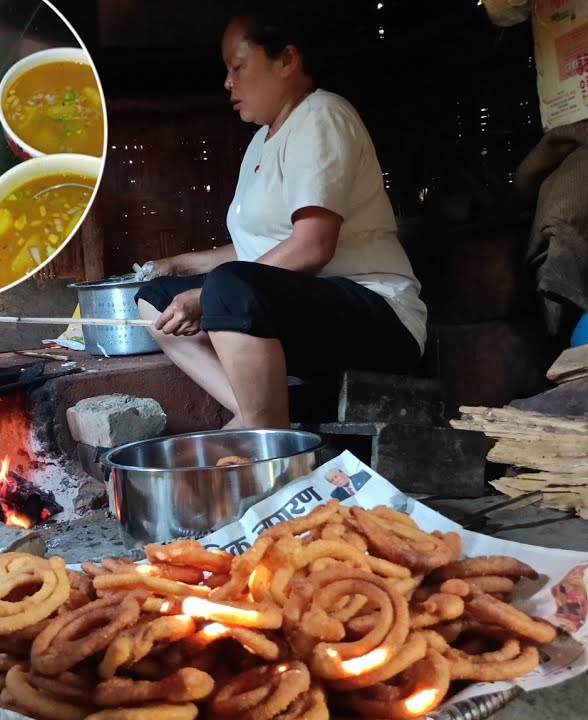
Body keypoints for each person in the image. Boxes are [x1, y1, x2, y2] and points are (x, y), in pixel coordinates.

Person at [136, 2, 426, 430]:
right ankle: (259, 415)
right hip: (298, 305)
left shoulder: (323, 116)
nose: (228, 82)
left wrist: (206, 293)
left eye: (238, 66)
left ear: (287, 59)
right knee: (156, 299)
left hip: (376, 314)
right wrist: (180, 265)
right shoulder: (260, 144)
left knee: (225, 289)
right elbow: (258, 250)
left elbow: (311, 245)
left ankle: (260, 429)